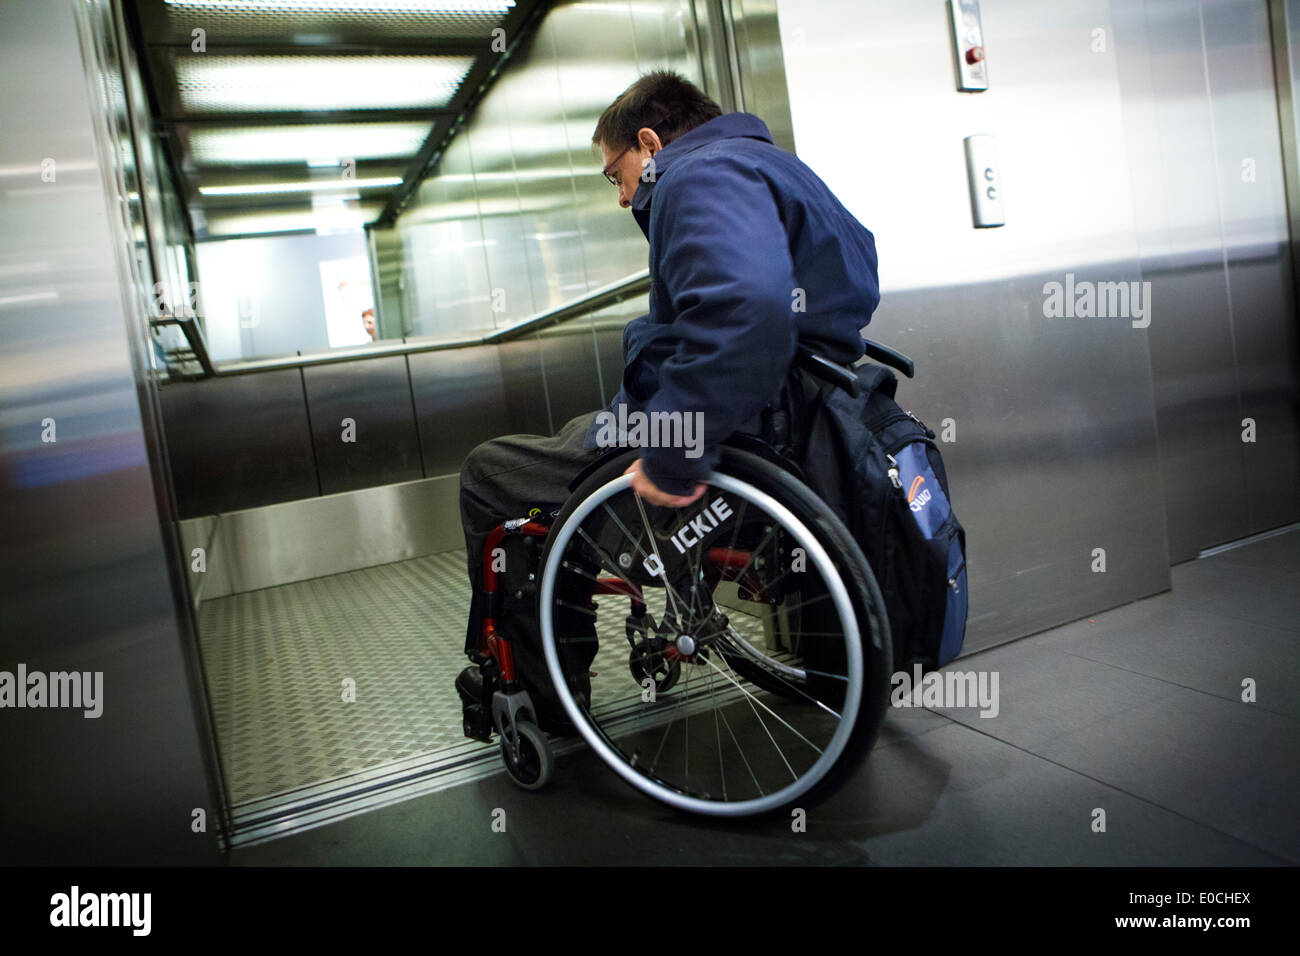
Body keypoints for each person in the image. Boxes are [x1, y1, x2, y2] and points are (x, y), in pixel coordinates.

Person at [457, 69, 881, 682]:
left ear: (651, 145)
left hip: (730, 429)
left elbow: (746, 311)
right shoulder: (777, 169)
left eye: (615, 174)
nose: (623, 196)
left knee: (490, 473)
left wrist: (672, 450)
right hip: (792, 417)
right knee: (580, 432)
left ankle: (547, 694)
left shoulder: (697, 175)